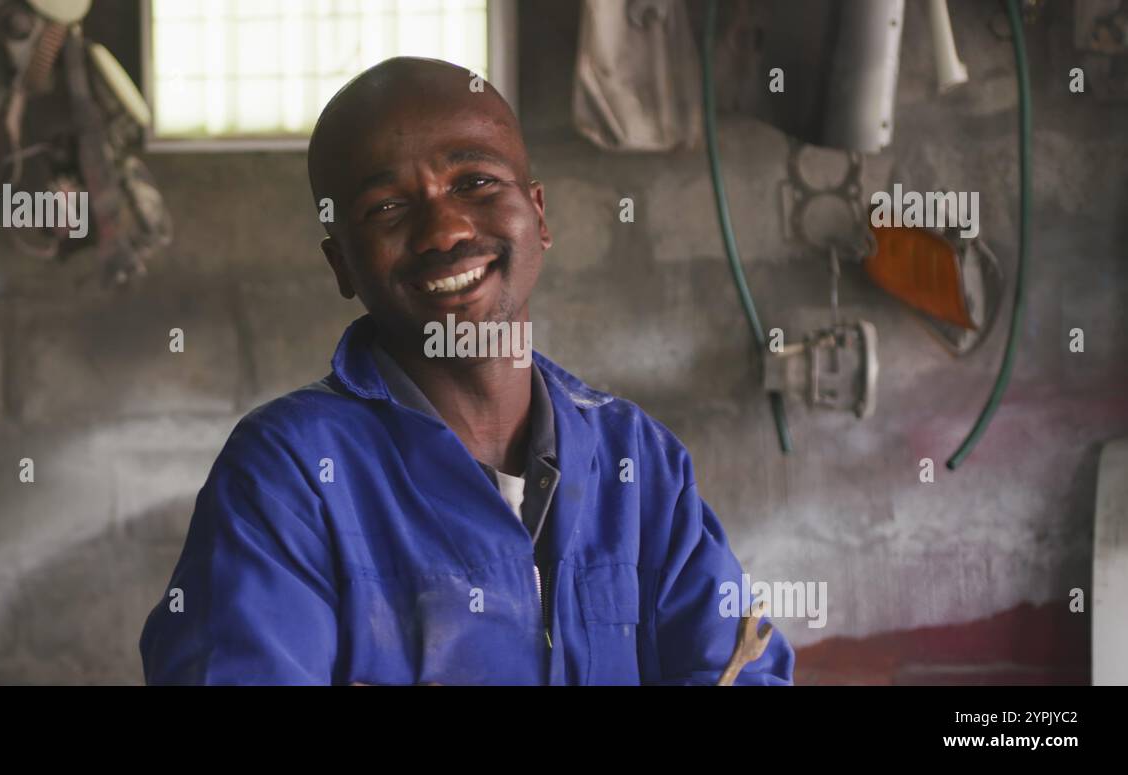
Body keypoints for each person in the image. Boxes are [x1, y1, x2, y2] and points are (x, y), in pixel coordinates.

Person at [139, 56, 794, 685]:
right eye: (387, 208)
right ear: (342, 263)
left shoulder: (638, 463)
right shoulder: (289, 476)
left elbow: (742, 670)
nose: (443, 230)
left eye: (474, 182)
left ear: (537, 215)